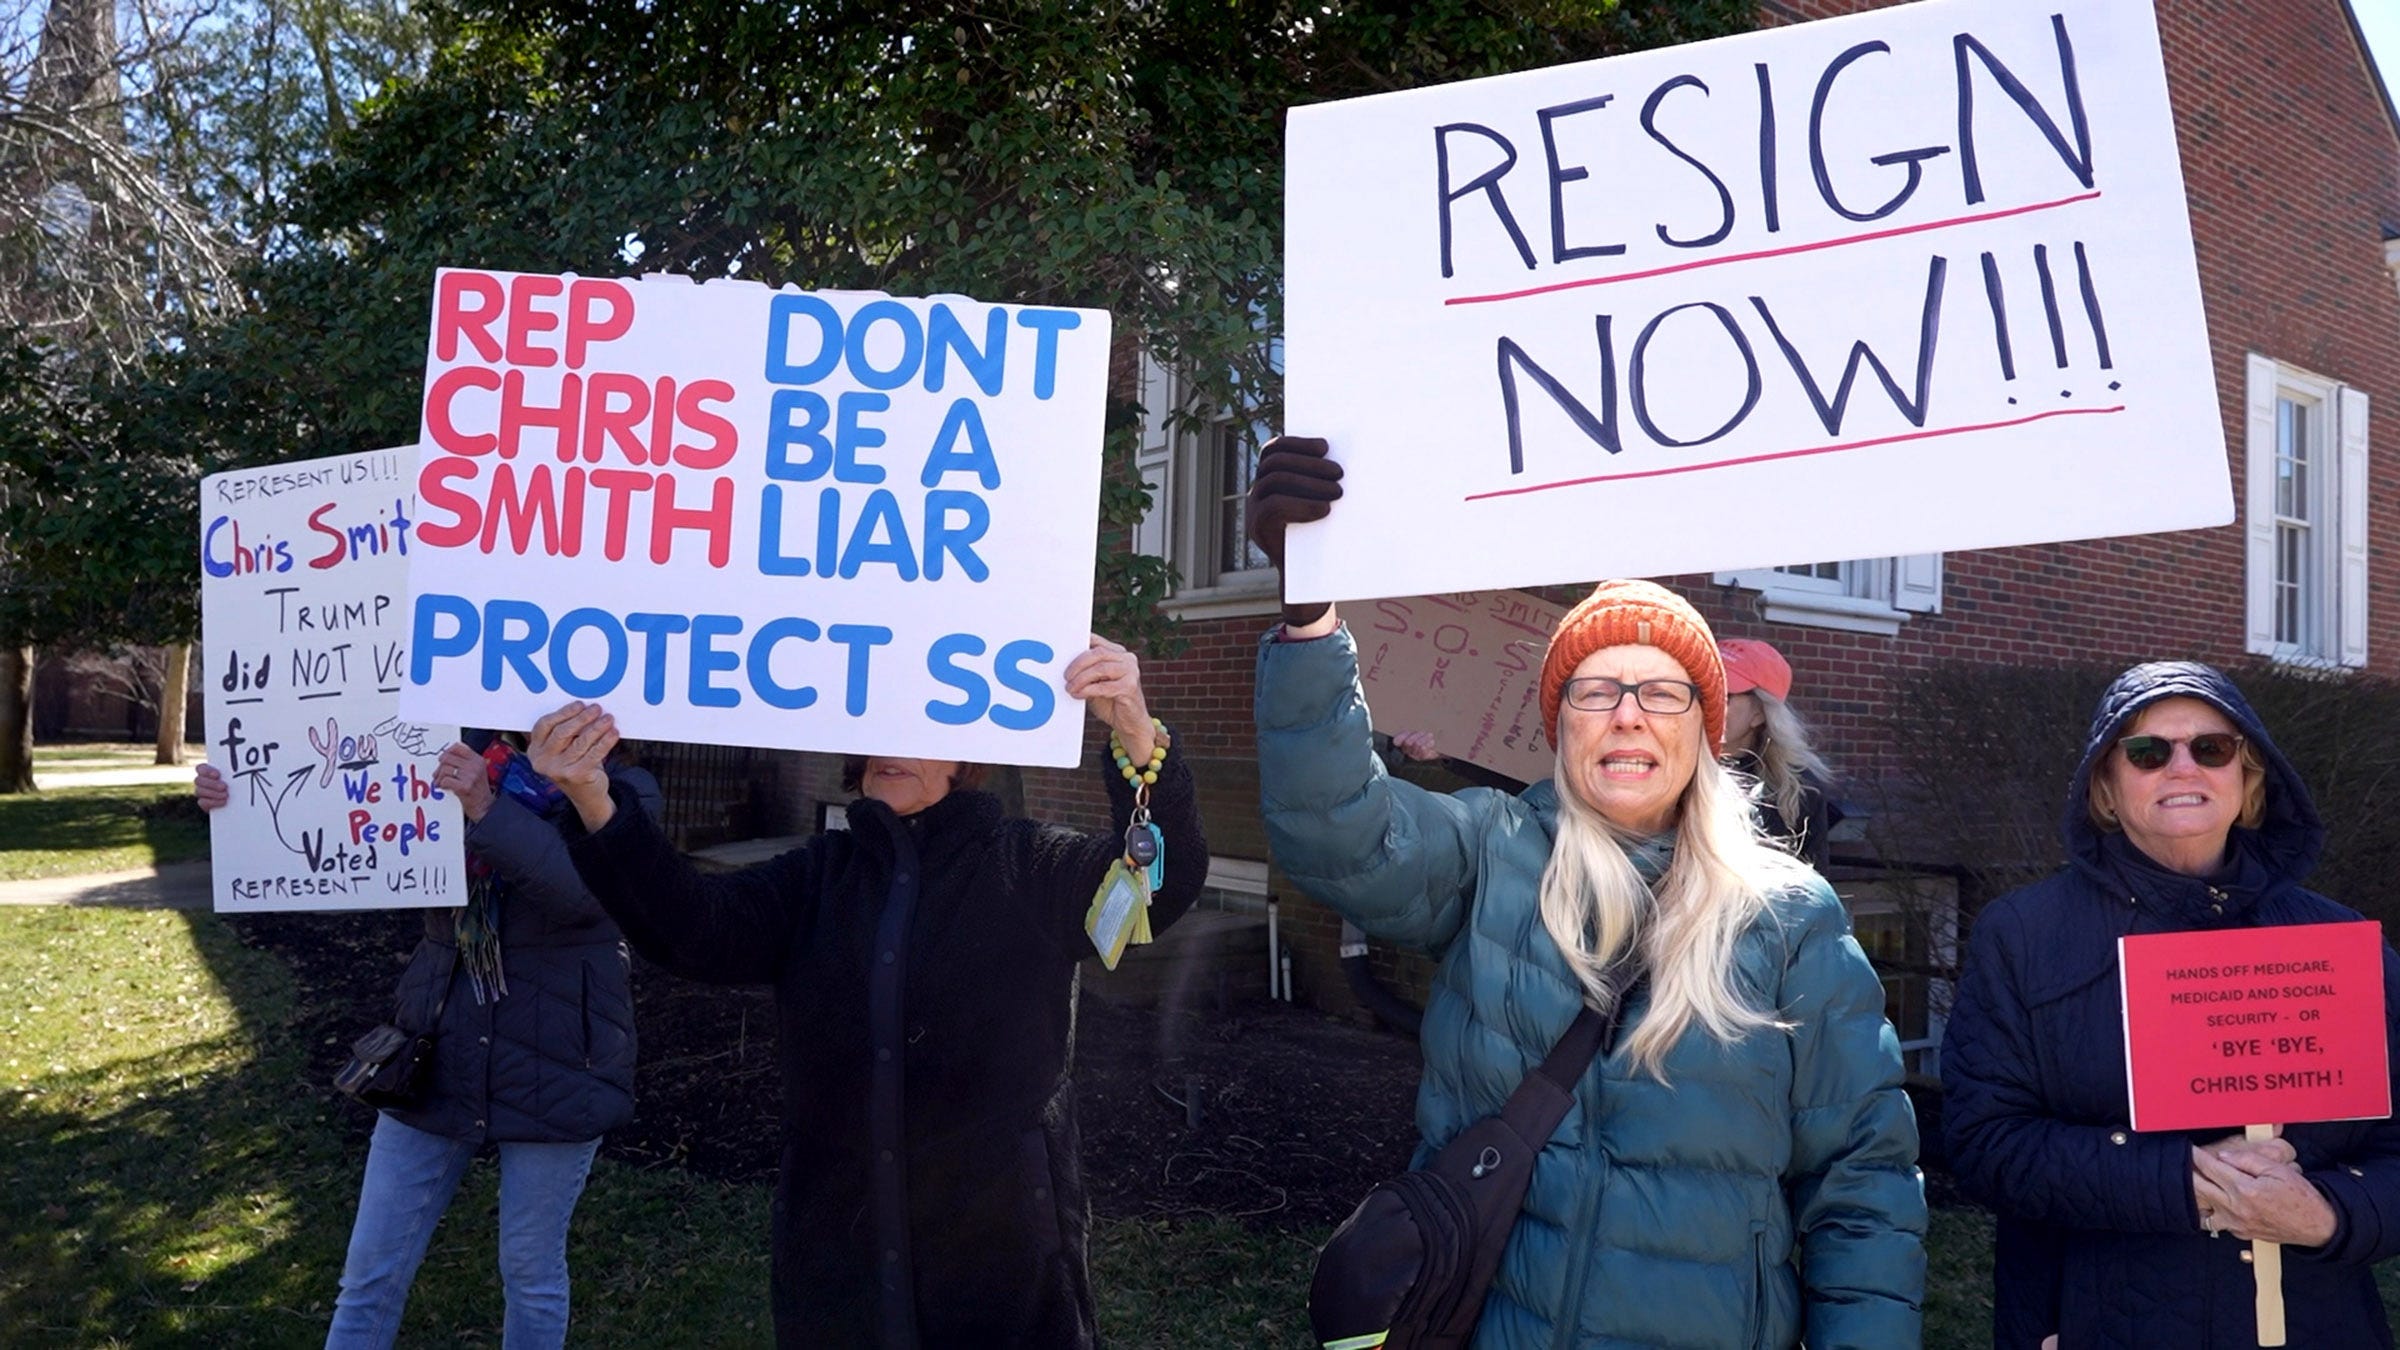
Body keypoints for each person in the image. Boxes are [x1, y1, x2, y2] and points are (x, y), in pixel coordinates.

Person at [1244, 436, 1924, 1349]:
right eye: (1597, 691)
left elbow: (1863, 1184)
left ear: (1706, 732)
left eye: (1663, 693)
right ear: (1560, 728)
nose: (1629, 714)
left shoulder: (1792, 917)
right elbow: (1338, 831)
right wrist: (1311, 621)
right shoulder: (1494, 851)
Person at [527, 634, 1206, 1349]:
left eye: (921, 726)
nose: (892, 743)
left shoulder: (1026, 866)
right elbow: (696, 930)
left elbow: (1159, 885)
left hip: (1002, 1274)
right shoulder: (819, 875)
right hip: (840, 1274)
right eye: (877, 720)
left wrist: (1136, 732)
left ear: (969, 751)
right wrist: (595, 801)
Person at [1941, 661, 2400, 1349]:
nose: (2182, 769)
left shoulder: (2335, 941)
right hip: (2098, 1321)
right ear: (2105, 785)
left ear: (2248, 777)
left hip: (2314, 1322)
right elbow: (1985, 1141)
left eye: (2211, 749)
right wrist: (2180, 1179)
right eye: (2149, 752)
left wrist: (2329, 1215)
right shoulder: (2025, 935)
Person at [196, 732, 660, 1350]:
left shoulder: (628, 791)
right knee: (369, 1270)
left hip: (561, 1062)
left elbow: (587, 898)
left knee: (531, 1273)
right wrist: (243, 804)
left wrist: (487, 810)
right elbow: (341, 820)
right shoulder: (436, 758)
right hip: (437, 1045)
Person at [1717, 637, 1842, 867]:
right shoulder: (1666, 769)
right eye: (1700, 688)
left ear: (1760, 713)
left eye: (1724, 696)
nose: (1707, 703)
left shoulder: (1799, 791)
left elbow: (1809, 895)